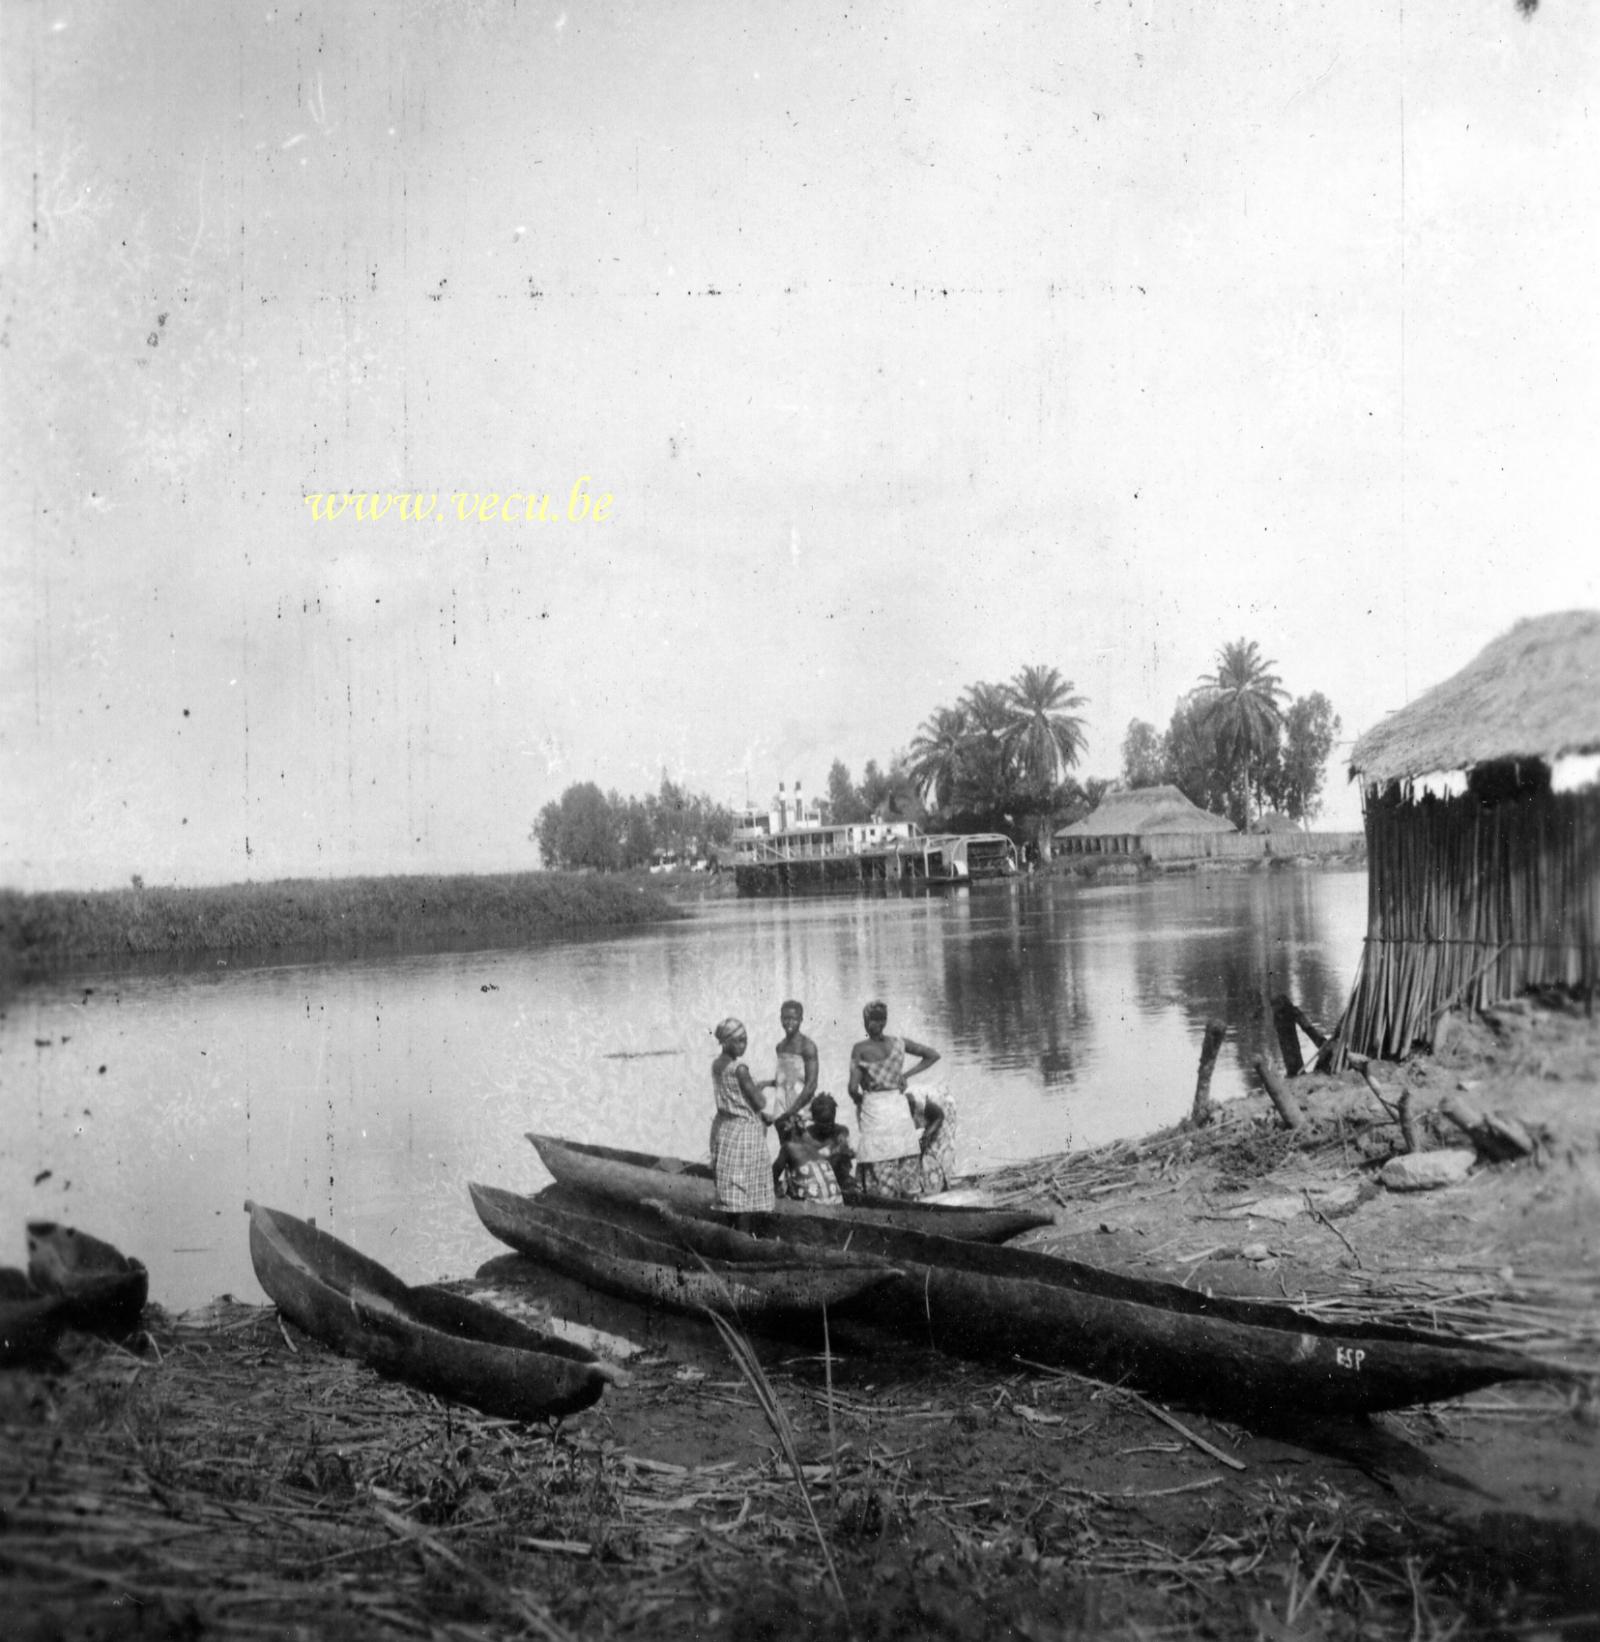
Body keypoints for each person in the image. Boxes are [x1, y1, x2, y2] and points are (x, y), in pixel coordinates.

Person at [846, 999, 952, 1198]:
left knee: (877, 1157)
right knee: (905, 1154)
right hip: (898, 1108)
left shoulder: (860, 1049)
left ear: (866, 1021)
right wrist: (906, 1075)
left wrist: (858, 1099)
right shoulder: (899, 1043)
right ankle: (910, 1198)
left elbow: (852, 1087)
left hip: (875, 1109)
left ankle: (882, 1199)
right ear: (884, 1021)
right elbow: (932, 1055)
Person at [708, 1017, 776, 1223]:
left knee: (731, 1186)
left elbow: (735, 1094)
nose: (743, 1045)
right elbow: (758, 1102)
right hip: (745, 1133)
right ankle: (746, 1237)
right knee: (747, 1190)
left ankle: (730, 1233)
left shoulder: (717, 1064)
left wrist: (763, 1083)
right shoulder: (740, 1068)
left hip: (726, 1128)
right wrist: (765, 1093)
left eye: (745, 1040)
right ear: (725, 1042)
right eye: (738, 1041)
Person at [772, 1113, 844, 1202]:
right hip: (837, 1202)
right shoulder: (813, 1146)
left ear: (784, 1130)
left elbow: (773, 1174)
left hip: (814, 1207)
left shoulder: (788, 1147)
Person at [769, 999, 820, 1123]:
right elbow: (785, 1079)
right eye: (786, 1018)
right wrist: (765, 1084)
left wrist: (792, 1112)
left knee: (801, 1140)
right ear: (780, 1019)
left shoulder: (807, 1046)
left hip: (801, 1110)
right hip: (782, 1109)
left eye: (794, 1018)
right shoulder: (780, 1047)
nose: (789, 1022)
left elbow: (811, 1085)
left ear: (801, 1019)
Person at [805, 1092, 855, 1193]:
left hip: (838, 1175)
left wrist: (844, 1148)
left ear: (834, 1116)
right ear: (814, 1119)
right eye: (823, 1123)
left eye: (830, 1122)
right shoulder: (808, 1133)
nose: (827, 1126)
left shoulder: (841, 1131)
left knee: (841, 1158)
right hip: (816, 1176)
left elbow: (846, 1147)